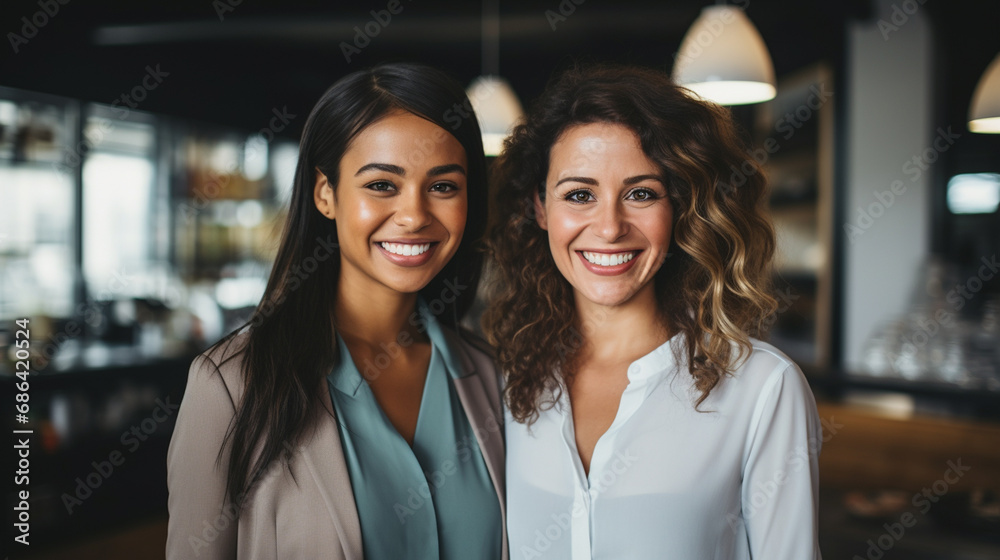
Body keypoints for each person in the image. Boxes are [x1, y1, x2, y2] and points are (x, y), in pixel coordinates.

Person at [166, 62, 507, 560]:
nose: (414, 216)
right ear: (326, 194)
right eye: (381, 185)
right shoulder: (232, 384)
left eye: (443, 186)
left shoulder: (494, 376)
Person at [483, 64, 822, 559]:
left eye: (641, 194)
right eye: (579, 195)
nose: (609, 227)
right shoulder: (506, 379)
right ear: (540, 208)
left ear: (680, 207)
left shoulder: (763, 389)